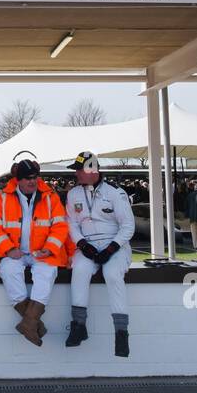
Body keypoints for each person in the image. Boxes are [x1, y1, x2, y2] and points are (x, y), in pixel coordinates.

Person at [0, 153, 72, 347]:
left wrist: (49, 249)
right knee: (8, 271)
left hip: (42, 253)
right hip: (13, 253)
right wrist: (8, 249)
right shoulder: (2, 198)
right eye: (27, 178)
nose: (32, 181)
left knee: (46, 273)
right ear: (18, 180)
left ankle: (28, 323)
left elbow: (60, 227)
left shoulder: (51, 197)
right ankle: (33, 324)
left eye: (35, 177)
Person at [64, 150, 135, 357]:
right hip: (87, 246)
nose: (76, 174)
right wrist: (83, 244)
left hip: (115, 245)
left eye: (79, 170)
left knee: (112, 274)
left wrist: (112, 248)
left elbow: (128, 226)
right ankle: (78, 326)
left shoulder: (115, 192)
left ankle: (121, 332)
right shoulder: (73, 194)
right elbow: (71, 223)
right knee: (79, 271)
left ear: (92, 170)